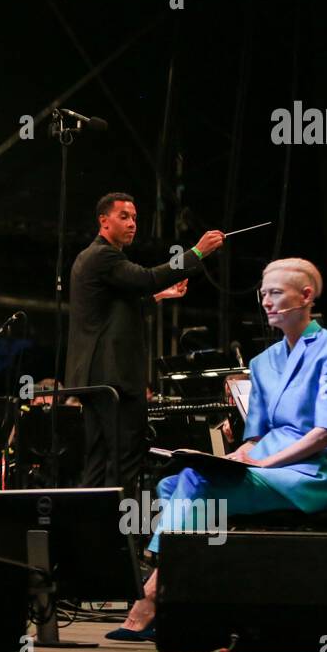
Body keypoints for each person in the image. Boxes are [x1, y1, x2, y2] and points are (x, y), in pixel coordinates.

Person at [108, 258, 327, 640]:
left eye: (276, 293)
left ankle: (152, 592)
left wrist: (263, 463)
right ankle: (187, 596)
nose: (266, 301)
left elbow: (326, 433)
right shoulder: (263, 362)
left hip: (313, 472)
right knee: (172, 484)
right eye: (263, 294)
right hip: (267, 464)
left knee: (196, 487)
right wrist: (232, 458)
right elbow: (256, 435)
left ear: (306, 296)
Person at [65, 192, 225, 492]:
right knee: (124, 459)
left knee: (99, 462)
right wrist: (197, 252)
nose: (132, 224)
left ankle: (91, 534)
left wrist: (160, 296)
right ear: (103, 221)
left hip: (96, 377)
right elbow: (148, 278)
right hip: (114, 377)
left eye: (135, 218)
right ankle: (116, 535)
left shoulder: (92, 258)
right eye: (124, 216)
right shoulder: (104, 255)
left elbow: (117, 309)